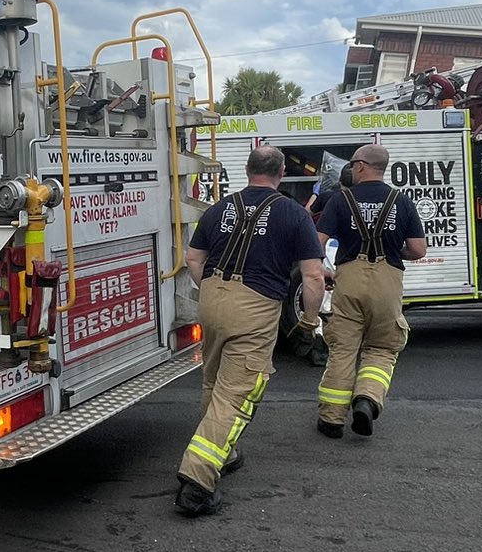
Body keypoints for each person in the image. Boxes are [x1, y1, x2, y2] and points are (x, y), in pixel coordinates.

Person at [175, 144, 325, 516]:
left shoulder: (219, 208)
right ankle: (197, 481)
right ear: (280, 173)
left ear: (247, 170)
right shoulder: (293, 214)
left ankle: (224, 453)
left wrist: (210, 288)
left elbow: (193, 258)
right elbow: (313, 275)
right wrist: (309, 322)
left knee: (214, 381)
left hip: (212, 300)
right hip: (255, 308)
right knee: (238, 393)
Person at [314, 143, 427, 437]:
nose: (350, 169)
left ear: (362, 166)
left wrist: (322, 269)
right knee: (382, 347)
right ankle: (367, 399)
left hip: (348, 278)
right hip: (387, 281)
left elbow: (318, 240)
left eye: (352, 164)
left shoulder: (341, 200)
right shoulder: (401, 201)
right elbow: (418, 249)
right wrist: (393, 251)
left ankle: (331, 420)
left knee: (343, 349)